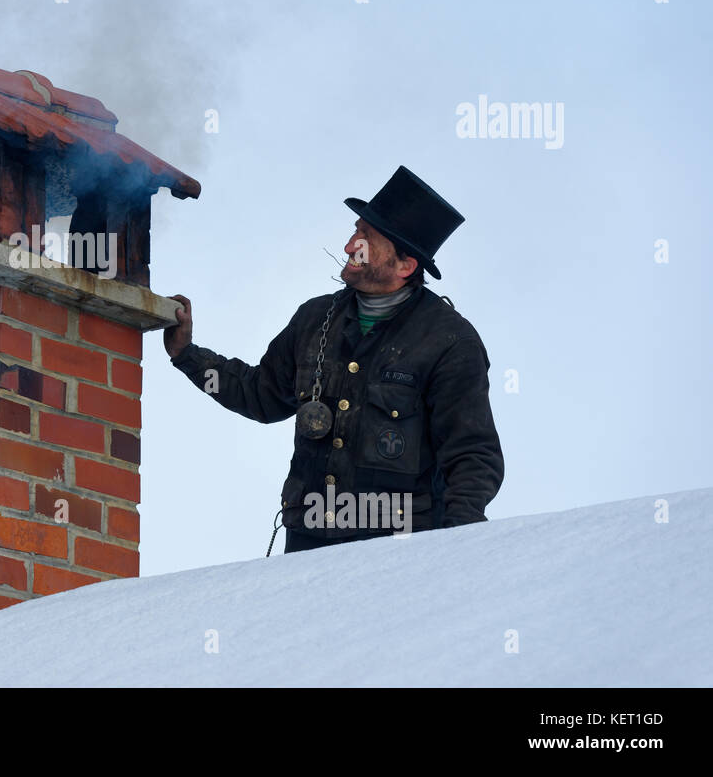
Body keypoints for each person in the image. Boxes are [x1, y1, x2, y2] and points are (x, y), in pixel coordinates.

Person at [164, 166, 504, 553]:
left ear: (405, 266)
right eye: (355, 231)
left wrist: (460, 548)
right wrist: (186, 355)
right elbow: (261, 394)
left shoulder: (450, 341)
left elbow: (472, 457)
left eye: (365, 238)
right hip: (307, 541)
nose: (349, 246)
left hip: (400, 549)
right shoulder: (313, 318)